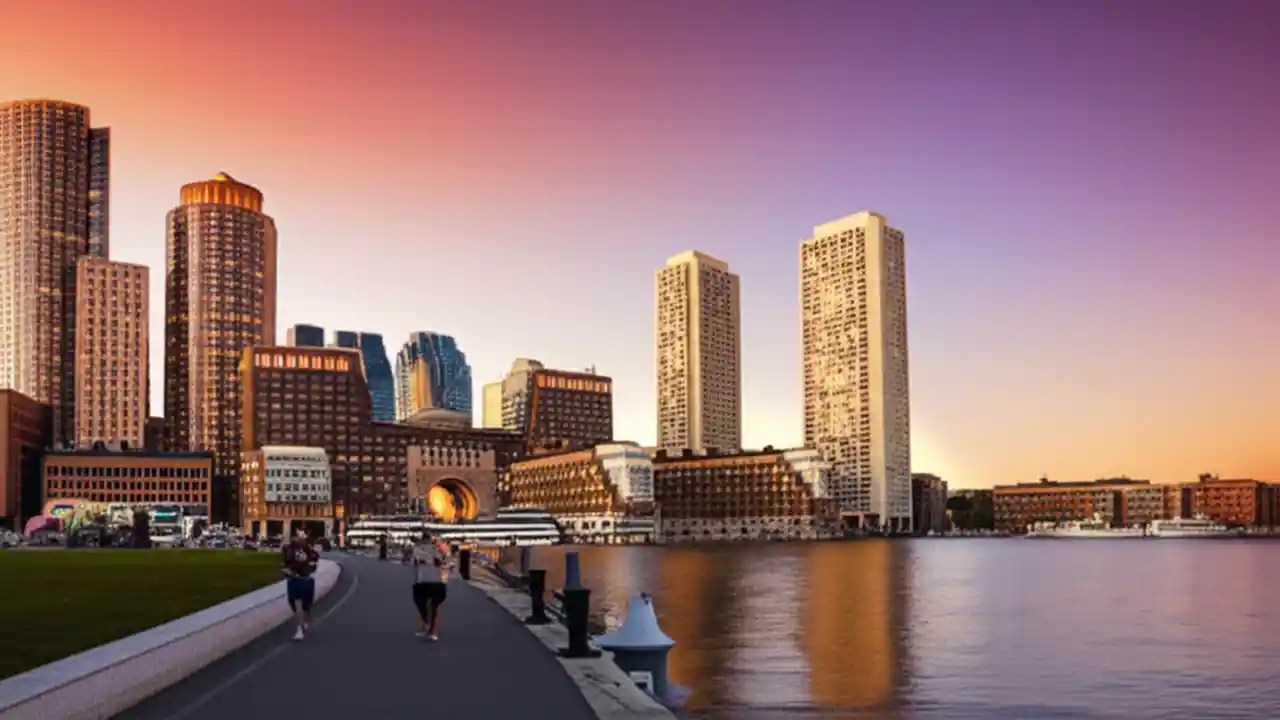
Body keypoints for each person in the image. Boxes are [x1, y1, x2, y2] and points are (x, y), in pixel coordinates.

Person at [411, 534, 450, 641]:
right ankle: (428, 626)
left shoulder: (437, 550)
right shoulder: (416, 550)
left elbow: (443, 562)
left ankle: (432, 631)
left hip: (435, 581)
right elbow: (411, 562)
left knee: (433, 606)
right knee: (422, 604)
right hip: (422, 581)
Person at [282, 530, 319, 641]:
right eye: (297, 537)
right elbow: (284, 564)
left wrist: (312, 566)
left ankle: (305, 620)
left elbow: (314, 562)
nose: (299, 539)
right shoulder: (288, 550)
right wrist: (286, 571)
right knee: (295, 605)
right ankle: (299, 628)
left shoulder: (309, 551)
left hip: (306, 580)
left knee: (306, 606)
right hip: (294, 580)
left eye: (302, 538)